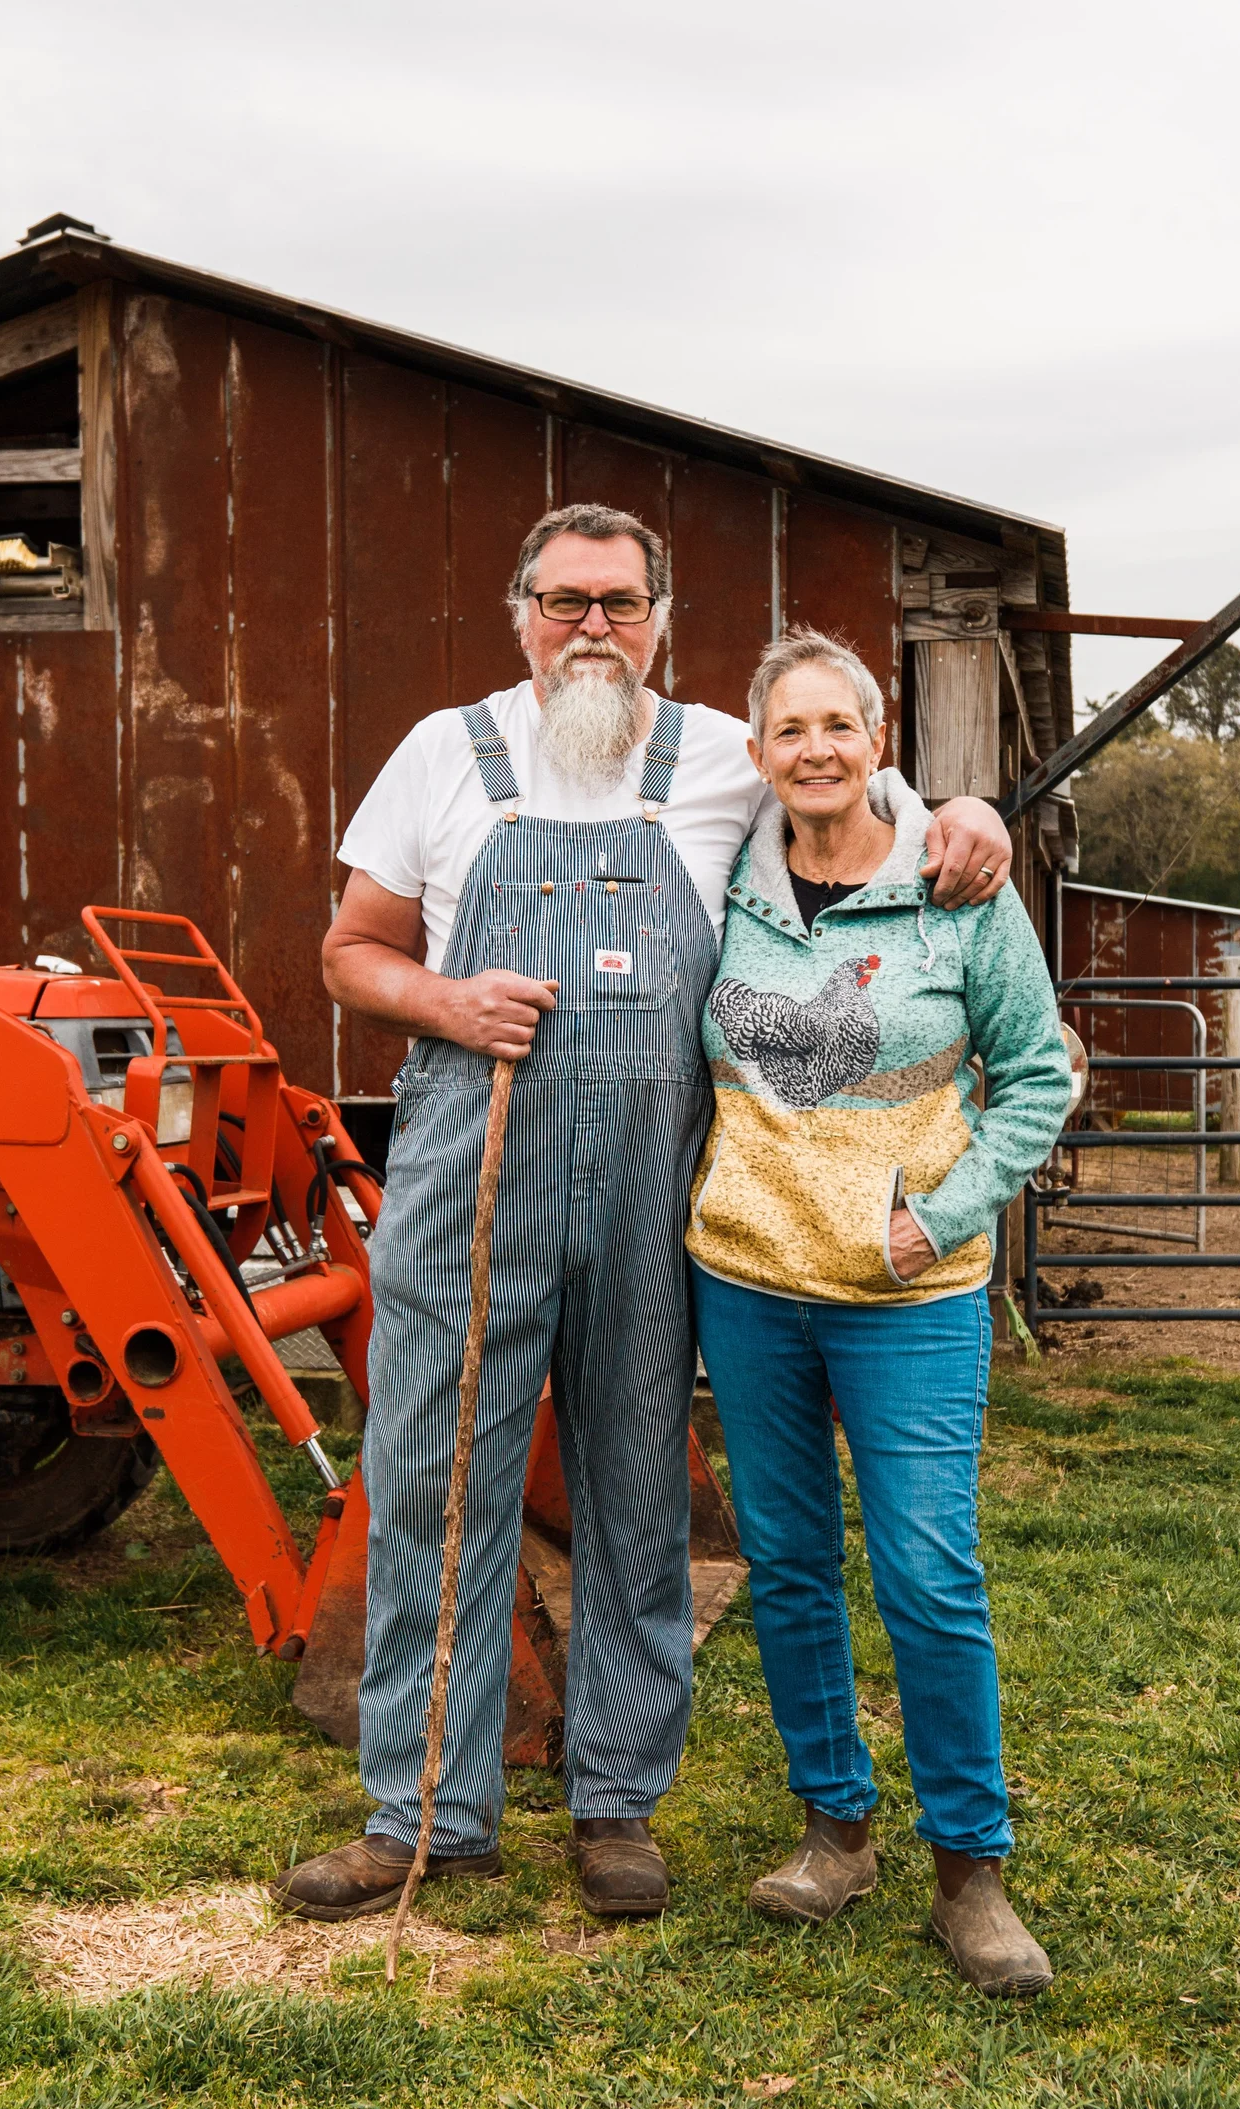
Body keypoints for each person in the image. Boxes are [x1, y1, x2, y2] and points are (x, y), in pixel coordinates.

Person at [272, 506, 1015, 1925]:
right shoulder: (446, 752)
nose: (591, 626)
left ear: (663, 619)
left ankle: (618, 1804)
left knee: (627, 1483)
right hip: (470, 1171)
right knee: (437, 1476)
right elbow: (349, 950)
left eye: (619, 601)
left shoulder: (724, 762)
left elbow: (890, 812)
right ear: (522, 613)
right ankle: (420, 1809)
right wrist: (445, 998)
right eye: (564, 601)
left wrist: (966, 812)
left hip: (651, 1183)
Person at [687, 628, 1070, 1994]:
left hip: (906, 1297)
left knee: (927, 1571)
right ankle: (833, 1829)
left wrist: (944, 1215)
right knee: (789, 1566)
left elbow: (1039, 1071)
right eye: (788, 731)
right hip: (747, 1284)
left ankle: (972, 1872)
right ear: (758, 754)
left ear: (878, 738)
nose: (815, 751)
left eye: (837, 726)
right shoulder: (726, 875)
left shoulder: (954, 883)